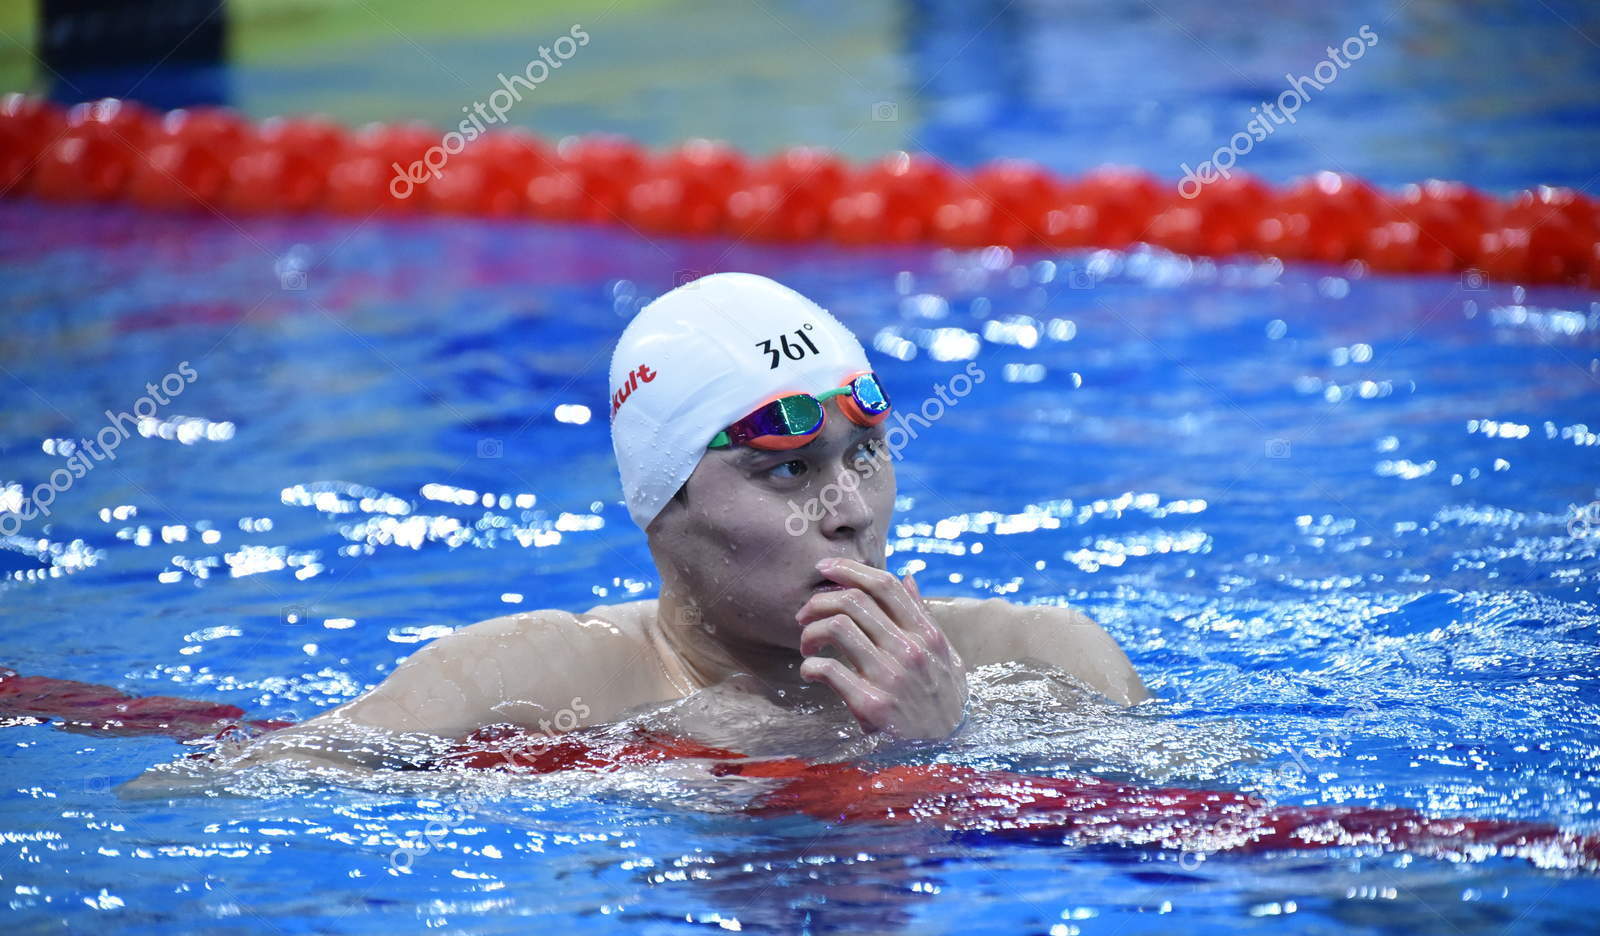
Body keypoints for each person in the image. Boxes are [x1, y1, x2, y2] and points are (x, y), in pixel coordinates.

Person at [135, 272, 1148, 781]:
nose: (848, 509)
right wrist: (636, 775)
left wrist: (940, 748)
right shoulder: (526, 682)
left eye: (863, 454)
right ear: (661, 506)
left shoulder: (1044, 659)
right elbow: (197, 796)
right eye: (788, 468)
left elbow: (1231, 850)